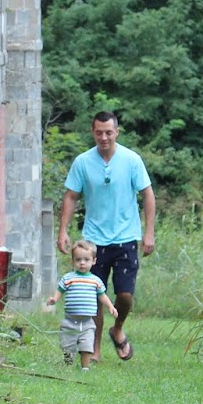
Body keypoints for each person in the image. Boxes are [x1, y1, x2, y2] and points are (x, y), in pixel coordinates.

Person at [57, 111, 155, 361]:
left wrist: (149, 233)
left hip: (125, 237)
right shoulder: (82, 162)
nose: (104, 137)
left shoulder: (131, 160)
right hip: (94, 240)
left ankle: (118, 328)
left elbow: (147, 194)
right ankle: (95, 348)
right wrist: (63, 230)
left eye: (108, 132)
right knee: (93, 297)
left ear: (116, 132)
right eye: (99, 132)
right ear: (93, 132)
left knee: (125, 295)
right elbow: (71, 196)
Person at [46, 240, 118, 370]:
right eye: (78, 259)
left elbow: (102, 295)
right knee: (67, 345)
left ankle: (85, 368)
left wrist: (110, 306)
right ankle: (68, 365)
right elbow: (60, 290)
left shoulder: (95, 281)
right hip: (70, 320)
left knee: (87, 345)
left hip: (87, 322)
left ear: (94, 261)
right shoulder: (68, 278)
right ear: (73, 261)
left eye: (86, 260)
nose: (82, 263)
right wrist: (54, 299)